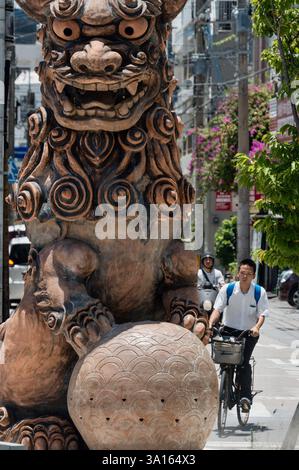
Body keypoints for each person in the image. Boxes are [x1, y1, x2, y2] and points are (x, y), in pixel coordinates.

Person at [208, 258, 269, 412]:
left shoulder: (258, 292)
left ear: (253, 275)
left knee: (243, 363)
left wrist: (256, 327)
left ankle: (245, 397)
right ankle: (225, 388)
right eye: (242, 273)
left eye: (248, 273)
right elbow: (217, 310)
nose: (244, 276)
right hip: (228, 330)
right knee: (225, 361)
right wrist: (210, 324)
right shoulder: (227, 289)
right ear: (238, 273)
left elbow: (262, 314)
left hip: (249, 333)